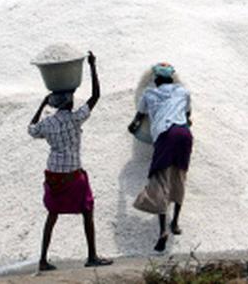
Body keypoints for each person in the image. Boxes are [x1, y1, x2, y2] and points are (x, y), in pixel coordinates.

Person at [28, 52, 113, 271]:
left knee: (52, 215)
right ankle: (92, 256)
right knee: (87, 211)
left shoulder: (48, 123)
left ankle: (43, 259)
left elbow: (31, 129)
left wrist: (41, 104)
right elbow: (96, 96)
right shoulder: (76, 118)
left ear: (54, 103)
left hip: (54, 175)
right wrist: (93, 67)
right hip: (74, 176)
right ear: (70, 101)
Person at [128, 62, 193, 252]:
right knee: (179, 176)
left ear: (156, 79)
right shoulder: (183, 92)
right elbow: (188, 116)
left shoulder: (149, 94)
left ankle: (163, 231)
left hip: (166, 135)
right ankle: (176, 223)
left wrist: (133, 126)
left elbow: (139, 117)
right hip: (184, 134)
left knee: (160, 179)